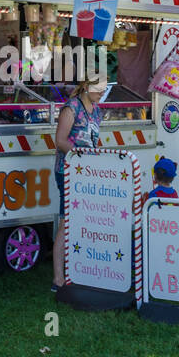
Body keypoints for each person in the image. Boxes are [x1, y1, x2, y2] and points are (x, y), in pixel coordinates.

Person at [51, 78, 106, 289]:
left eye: (104, 90)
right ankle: (58, 278)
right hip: (68, 171)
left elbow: (93, 140)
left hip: (86, 173)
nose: (102, 93)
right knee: (67, 222)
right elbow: (61, 140)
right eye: (99, 90)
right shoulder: (71, 108)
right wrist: (81, 157)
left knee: (83, 222)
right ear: (87, 87)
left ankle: (81, 269)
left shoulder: (97, 110)